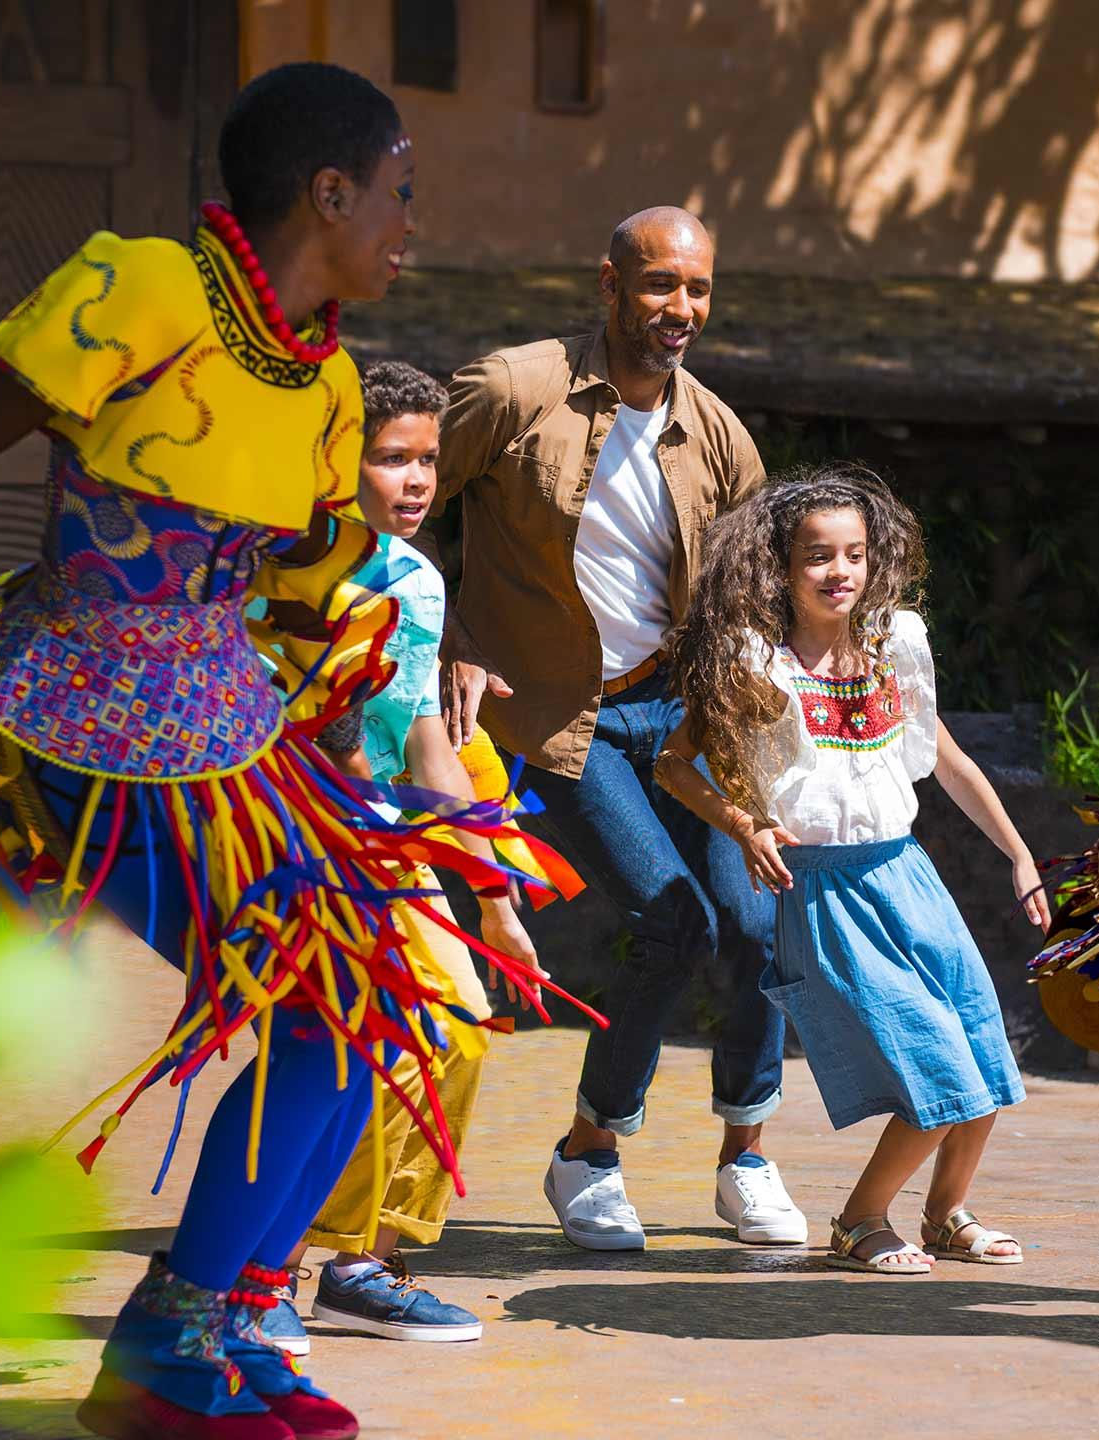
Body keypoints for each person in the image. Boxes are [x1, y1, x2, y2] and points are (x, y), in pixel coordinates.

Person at [0, 65, 559, 1440]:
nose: (414, 224)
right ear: (330, 192)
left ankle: (234, 1317)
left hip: (218, 735)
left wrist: (392, 762)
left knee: (364, 1005)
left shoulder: (334, 384)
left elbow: (310, 605)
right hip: (67, 729)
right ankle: (167, 1346)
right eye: (401, 193)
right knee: (325, 1005)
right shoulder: (143, 291)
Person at [437, 206, 803, 1253]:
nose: (678, 309)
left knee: (756, 922)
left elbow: (747, 594)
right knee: (673, 919)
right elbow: (396, 499)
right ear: (608, 284)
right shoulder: (513, 390)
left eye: (695, 290)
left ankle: (746, 1156)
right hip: (563, 715)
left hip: (686, 712)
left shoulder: (720, 433)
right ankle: (588, 1154)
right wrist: (453, 635)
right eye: (657, 286)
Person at [656, 465, 1052, 1274]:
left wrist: (1018, 853)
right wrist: (742, 823)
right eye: (818, 556)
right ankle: (860, 1219)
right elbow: (672, 763)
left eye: (855, 554)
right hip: (828, 890)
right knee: (938, 1069)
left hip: (909, 875)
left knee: (983, 1053)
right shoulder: (757, 665)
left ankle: (945, 1215)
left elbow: (949, 761)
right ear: (781, 567)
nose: (841, 572)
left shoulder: (893, 648)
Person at [261, 361, 571, 1351]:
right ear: (334, 460)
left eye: (428, 459)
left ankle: (366, 1264)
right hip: (288, 842)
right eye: (390, 457)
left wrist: (492, 895)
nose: (416, 479)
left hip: (390, 846)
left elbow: (427, 742)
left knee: (455, 1027)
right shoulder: (280, 571)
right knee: (333, 1044)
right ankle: (265, 1268)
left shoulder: (418, 581)